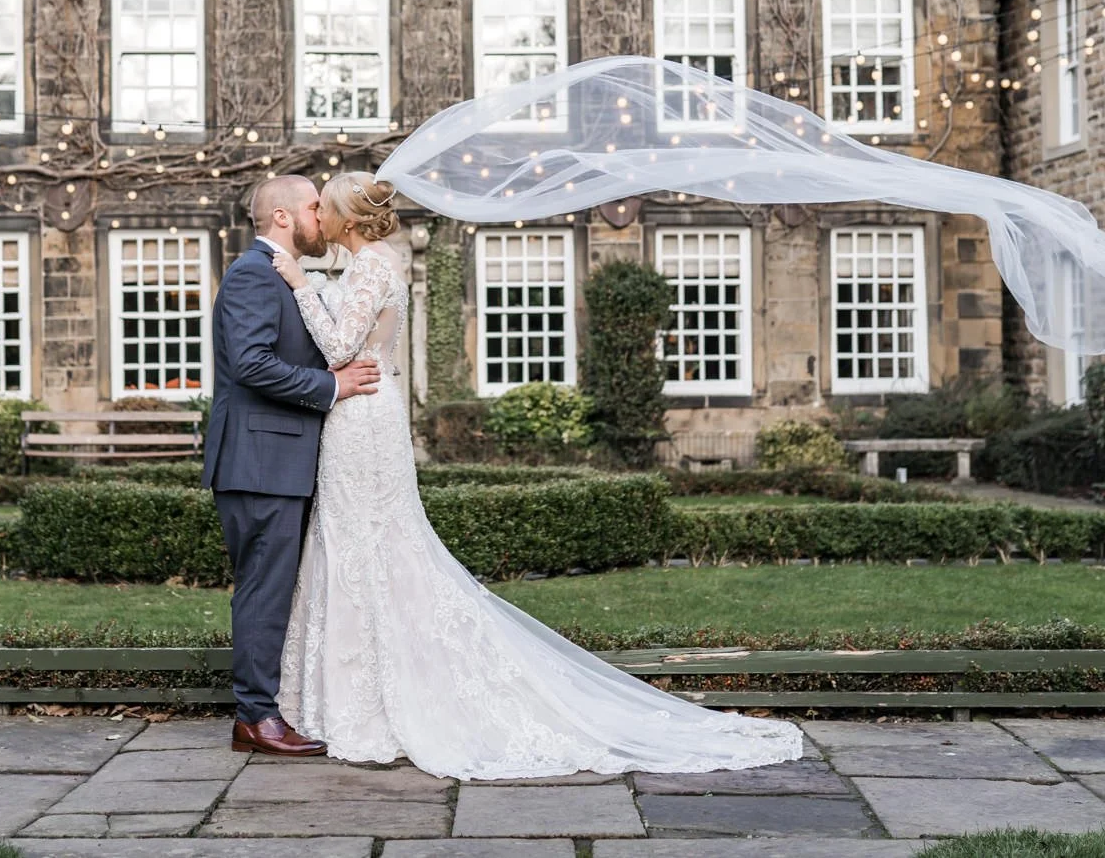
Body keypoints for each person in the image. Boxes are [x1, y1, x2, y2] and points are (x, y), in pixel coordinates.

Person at [263, 171, 805, 780]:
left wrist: (299, 284)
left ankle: (364, 707)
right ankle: (359, 698)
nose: (319, 220)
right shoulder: (378, 262)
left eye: (325, 210)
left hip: (360, 418)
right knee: (365, 547)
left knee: (365, 546)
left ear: (348, 220)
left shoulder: (365, 268)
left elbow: (338, 346)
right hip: (367, 411)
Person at [201, 173, 381, 757]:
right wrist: (330, 384)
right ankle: (255, 718)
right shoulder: (253, 273)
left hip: (279, 458)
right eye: (312, 207)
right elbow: (252, 364)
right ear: (283, 218)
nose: (321, 217)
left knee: (275, 587)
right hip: (258, 459)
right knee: (263, 588)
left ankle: (268, 709)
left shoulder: (281, 272)